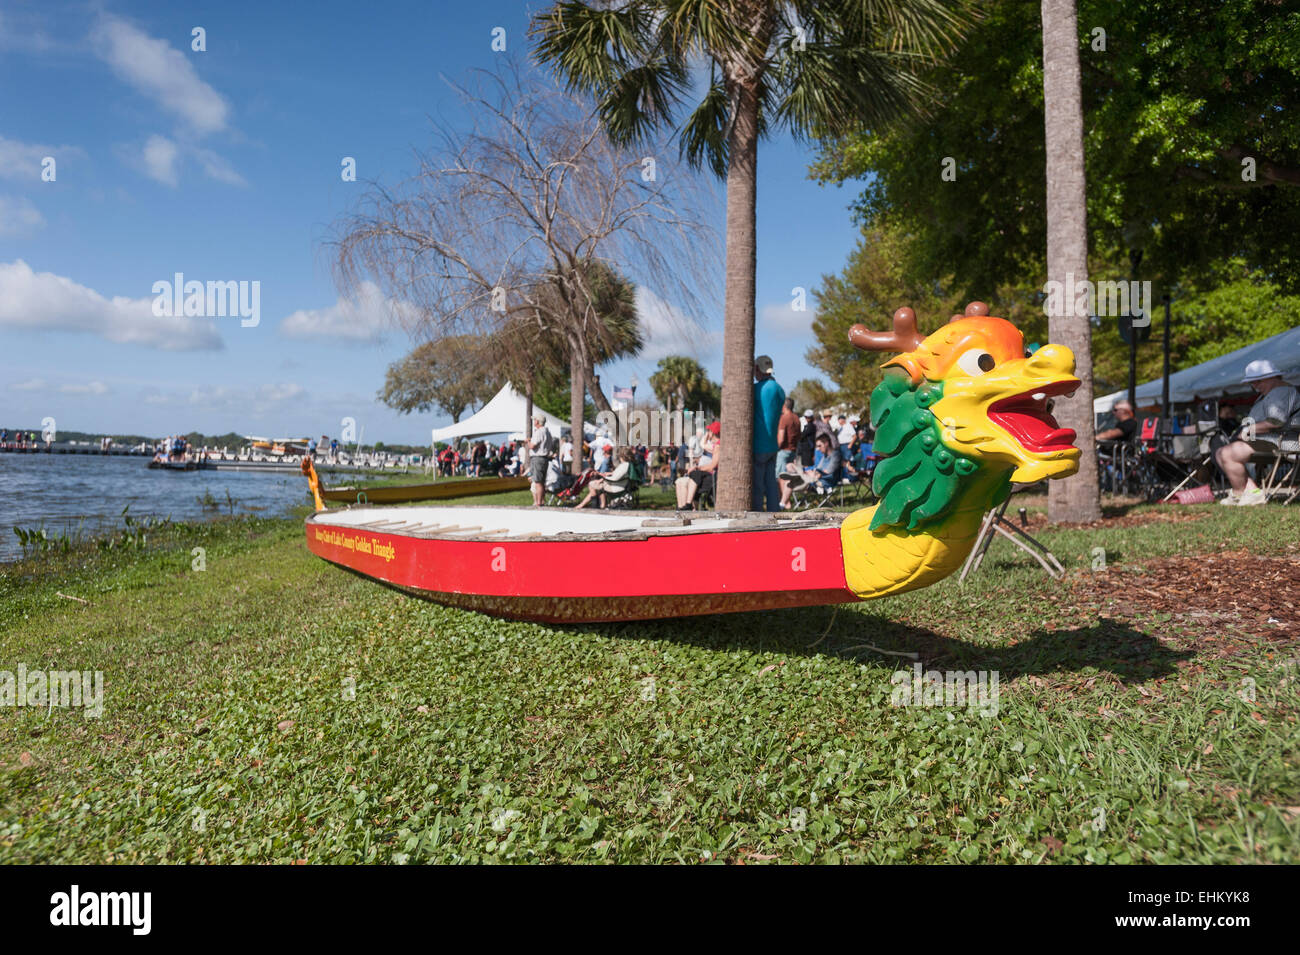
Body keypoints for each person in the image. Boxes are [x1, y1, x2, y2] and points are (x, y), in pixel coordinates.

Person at [1214, 359, 1300, 506]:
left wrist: (1249, 430)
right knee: (1221, 452)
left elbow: (1275, 422)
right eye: (1252, 383)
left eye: (1258, 381)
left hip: (1283, 441)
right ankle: (1248, 491)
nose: (1255, 386)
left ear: (1272, 377)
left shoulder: (1281, 392)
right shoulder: (1272, 392)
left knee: (1226, 453)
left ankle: (1244, 493)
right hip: (1273, 440)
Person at [752, 355, 786, 512]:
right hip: (772, 444)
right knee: (771, 483)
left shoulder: (755, 389)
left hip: (758, 445)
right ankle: (774, 512)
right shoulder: (779, 389)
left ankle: (757, 514)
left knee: (758, 485)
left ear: (757, 369)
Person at [779, 434, 842, 509]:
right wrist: (810, 471)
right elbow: (818, 468)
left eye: (819, 446)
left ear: (826, 443)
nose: (818, 449)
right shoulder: (825, 456)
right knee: (789, 482)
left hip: (824, 482)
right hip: (812, 479)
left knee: (792, 468)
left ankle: (798, 472)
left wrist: (811, 472)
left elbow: (827, 472)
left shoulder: (836, 455)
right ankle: (782, 505)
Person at [676, 421, 720, 509]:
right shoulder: (713, 445)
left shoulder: (718, 446)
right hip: (705, 472)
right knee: (680, 481)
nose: (707, 433)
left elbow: (712, 466)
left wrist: (697, 467)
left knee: (694, 474)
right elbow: (703, 445)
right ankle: (681, 508)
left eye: (709, 431)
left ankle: (688, 505)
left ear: (712, 433)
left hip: (712, 476)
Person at [528, 416, 556, 507]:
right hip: (544, 458)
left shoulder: (539, 432)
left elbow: (533, 446)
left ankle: (539, 502)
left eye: (535, 420)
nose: (534, 421)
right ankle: (541, 501)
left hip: (538, 458)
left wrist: (528, 442)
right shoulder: (547, 432)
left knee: (538, 482)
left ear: (538, 421)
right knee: (541, 481)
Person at [776, 398, 800, 479]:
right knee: (789, 479)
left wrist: (776, 448)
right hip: (793, 451)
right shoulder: (796, 418)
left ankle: (780, 492)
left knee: (780, 477)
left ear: (784, 406)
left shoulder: (784, 418)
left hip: (783, 451)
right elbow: (799, 436)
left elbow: (781, 438)